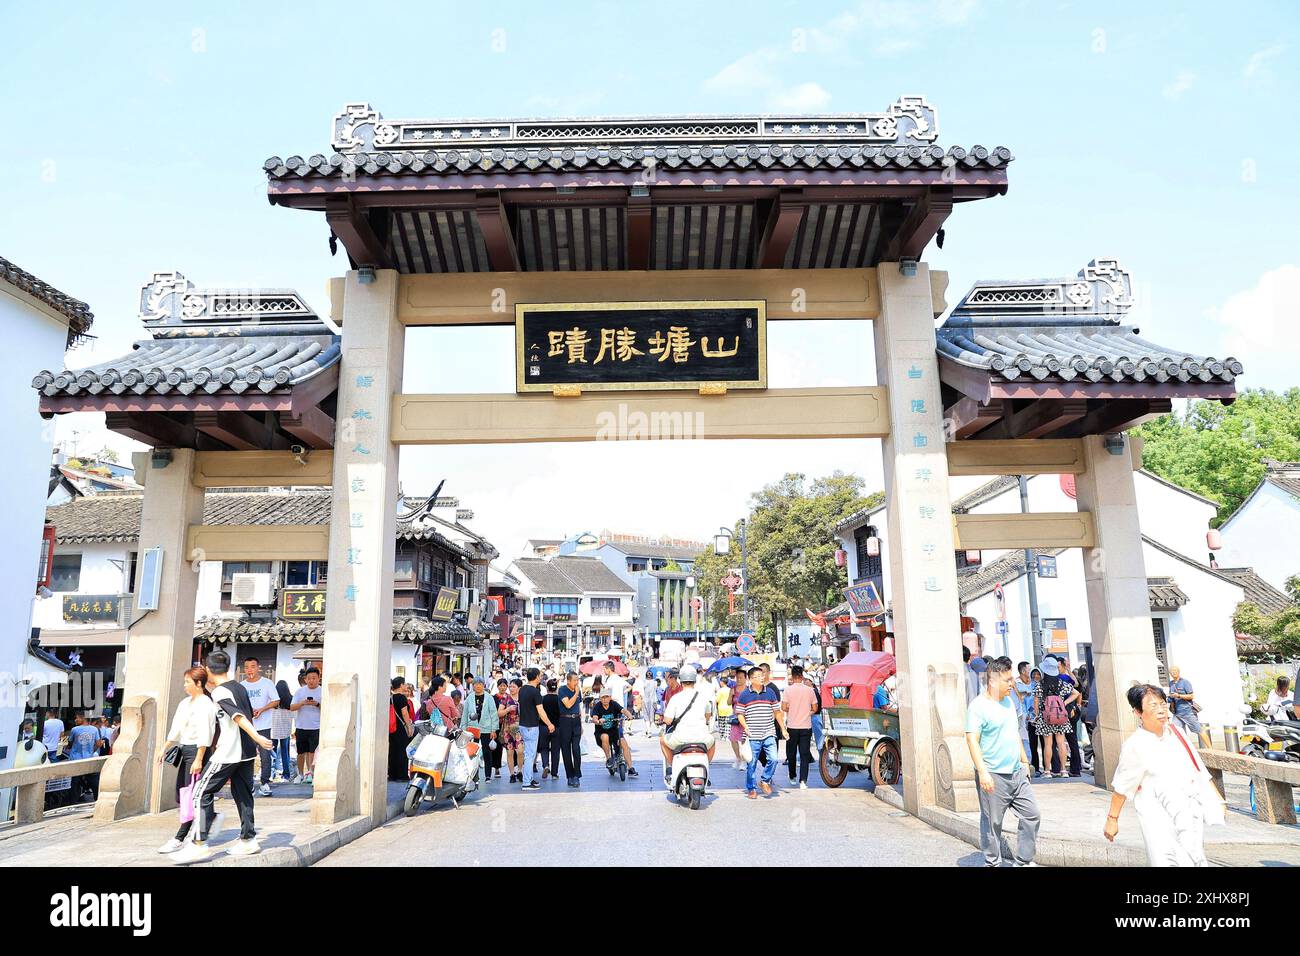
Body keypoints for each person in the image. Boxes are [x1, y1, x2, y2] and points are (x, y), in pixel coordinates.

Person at [1104, 684, 1226, 866]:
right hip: (1158, 817)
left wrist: (1218, 800)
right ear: (1138, 712)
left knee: (1194, 858)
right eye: (1153, 706)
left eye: (1162, 704)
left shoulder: (1177, 733)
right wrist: (1112, 820)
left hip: (1189, 813)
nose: (1161, 710)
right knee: (1165, 859)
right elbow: (1122, 786)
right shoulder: (1135, 745)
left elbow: (1198, 769)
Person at [172, 650, 274, 864]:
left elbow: (237, 716)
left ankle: (199, 843)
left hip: (229, 751)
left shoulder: (220, 692)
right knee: (244, 795)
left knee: (199, 793)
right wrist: (254, 740)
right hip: (245, 753)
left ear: (208, 669)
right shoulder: (240, 687)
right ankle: (248, 840)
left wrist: (257, 736)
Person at [964, 657, 1040, 867]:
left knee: (1032, 815)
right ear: (993, 681)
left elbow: (1013, 732)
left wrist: (1025, 761)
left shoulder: (1008, 702)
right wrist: (983, 772)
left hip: (1016, 773)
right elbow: (972, 739)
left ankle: (1023, 861)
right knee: (992, 824)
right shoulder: (978, 706)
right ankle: (992, 863)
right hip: (993, 775)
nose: (1012, 684)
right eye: (1007, 680)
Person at [157, 666, 218, 853]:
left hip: (197, 752)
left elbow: (205, 734)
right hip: (184, 750)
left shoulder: (206, 703)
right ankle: (209, 818)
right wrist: (164, 747)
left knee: (191, 795)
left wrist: (199, 759)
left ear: (198, 683)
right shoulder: (185, 703)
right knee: (185, 793)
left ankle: (181, 836)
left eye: (187, 682)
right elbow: (177, 726)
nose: (184, 685)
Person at [736, 666, 783, 799]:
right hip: (752, 735)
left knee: (773, 758)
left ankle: (765, 780)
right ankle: (751, 788)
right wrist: (745, 726)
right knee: (752, 763)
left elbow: (777, 712)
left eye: (762, 675)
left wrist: (783, 729)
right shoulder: (745, 694)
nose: (761, 678)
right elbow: (740, 713)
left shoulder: (770, 692)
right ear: (750, 679)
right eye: (757, 676)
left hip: (769, 732)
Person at [659, 665, 715, 772]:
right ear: (694, 681)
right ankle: (705, 768)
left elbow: (668, 720)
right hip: (702, 738)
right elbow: (708, 716)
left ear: (681, 681)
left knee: (662, 740)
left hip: (680, 738)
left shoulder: (675, 698)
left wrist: (663, 720)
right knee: (713, 742)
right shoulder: (703, 697)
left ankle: (673, 767)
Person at [239, 658, 279, 796]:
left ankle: (265, 783)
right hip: (247, 726)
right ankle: (248, 784)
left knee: (265, 755)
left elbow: (276, 700)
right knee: (247, 756)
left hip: (263, 726)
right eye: (247, 667)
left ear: (258, 668)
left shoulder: (267, 683)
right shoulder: (241, 685)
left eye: (253, 666)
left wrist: (261, 709)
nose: (250, 670)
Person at [1033, 657, 1078, 778]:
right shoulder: (1061, 683)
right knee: (1061, 743)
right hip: (1060, 715)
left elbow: (1036, 700)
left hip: (1045, 716)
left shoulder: (1040, 684)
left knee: (1048, 744)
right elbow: (1076, 693)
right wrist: (1064, 703)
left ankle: (1047, 771)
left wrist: (1037, 715)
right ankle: (1063, 770)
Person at [781, 666, 818, 788]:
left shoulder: (787, 690)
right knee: (804, 754)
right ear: (802, 676)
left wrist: (791, 710)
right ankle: (803, 781)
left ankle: (792, 776)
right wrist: (807, 712)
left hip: (792, 726)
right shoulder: (809, 690)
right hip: (806, 726)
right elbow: (815, 708)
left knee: (791, 753)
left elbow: (783, 707)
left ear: (792, 676)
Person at [590, 686, 638, 776]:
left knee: (624, 743)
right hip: (601, 732)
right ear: (600, 698)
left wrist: (629, 715)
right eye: (603, 697)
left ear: (610, 697)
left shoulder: (614, 704)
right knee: (605, 737)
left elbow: (623, 710)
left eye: (607, 697)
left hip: (614, 731)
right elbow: (594, 717)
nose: (605, 699)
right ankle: (609, 760)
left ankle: (631, 768)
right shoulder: (597, 706)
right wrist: (598, 721)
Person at [517, 668, 552, 791]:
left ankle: (529, 778)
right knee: (530, 755)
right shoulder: (535, 692)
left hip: (523, 725)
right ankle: (526, 782)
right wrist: (549, 724)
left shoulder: (522, 690)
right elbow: (541, 711)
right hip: (531, 726)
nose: (541, 678)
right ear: (537, 677)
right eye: (540, 676)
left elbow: (520, 708)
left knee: (529, 753)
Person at [461, 677, 500, 781]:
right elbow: (465, 714)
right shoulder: (469, 698)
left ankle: (487, 775)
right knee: (472, 752)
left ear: (484, 685)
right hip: (472, 729)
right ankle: (474, 775)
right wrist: (463, 729)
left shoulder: (489, 698)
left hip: (486, 728)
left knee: (487, 752)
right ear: (472, 685)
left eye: (480, 684)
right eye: (475, 684)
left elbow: (494, 714)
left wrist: (494, 729)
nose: (478, 686)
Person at [289, 668, 323, 782]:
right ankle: (300, 774)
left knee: (313, 752)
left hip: (316, 727)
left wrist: (317, 704)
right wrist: (302, 703)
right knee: (300, 752)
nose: (311, 681)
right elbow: (291, 707)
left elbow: (327, 709)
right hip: (301, 726)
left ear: (319, 678)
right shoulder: (300, 692)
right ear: (305, 679)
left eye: (314, 678)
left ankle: (311, 773)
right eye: (309, 678)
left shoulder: (322, 691)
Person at [1167, 665, 1211, 748]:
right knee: (1177, 732)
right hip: (1177, 713)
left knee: (1199, 729)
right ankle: (1186, 749)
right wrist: (1170, 700)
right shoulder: (1171, 683)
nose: (1173, 672)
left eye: (1175, 671)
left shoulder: (1185, 682)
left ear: (1179, 672)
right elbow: (1171, 696)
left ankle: (1211, 749)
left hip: (1187, 711)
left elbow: (1191, 696)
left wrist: (1179, 695)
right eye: (1172, 671)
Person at [66, 714, 102, 801]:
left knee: (74, 782)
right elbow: (98, 744)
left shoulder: (75, 729)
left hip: (75, 760)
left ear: (82, 718)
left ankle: (73, 802)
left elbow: (70, 744)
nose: (75, 720)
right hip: (88, 760)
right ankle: (97, 800)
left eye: (77, 718)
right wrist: (91, 751)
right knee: (93, 781)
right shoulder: (94, 729)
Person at [557, 672, 583, 787]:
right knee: (566, 749)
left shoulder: (578, 691)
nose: (576, 683)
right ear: (568, 681)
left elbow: (578, 707)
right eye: (574, 680)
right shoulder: (562, 690)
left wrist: (581, 724)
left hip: (576, 721)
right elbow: (568, 704)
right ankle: (570, 776)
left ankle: (577, 775)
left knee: (576, 749)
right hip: (565, 721)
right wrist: (576, 693)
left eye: (577, 680)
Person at [388, 677, 415, 782]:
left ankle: (392, 774)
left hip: (392, 726)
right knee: (402, 751)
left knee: (393, 750)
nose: (406, 686)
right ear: (400, 685)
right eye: (404, 684)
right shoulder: (402, 698)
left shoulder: (390, 698)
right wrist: (409, 726)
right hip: (401, 727)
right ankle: (401, 775)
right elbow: (405, 713)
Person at [498, 679, 522, 781]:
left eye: (514, 687)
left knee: (520, 751)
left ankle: (520, 771)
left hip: (520, 729)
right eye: (510, 686)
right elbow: (499, 713)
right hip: (507, 729)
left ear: (519, 688)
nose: (511, 689)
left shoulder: (523, 698)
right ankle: (512, 774)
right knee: (510, 752)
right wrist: (508, 709)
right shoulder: (506, 698)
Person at [539, 678, 562, 780]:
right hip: (557, 727)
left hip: (543, 727)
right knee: (555, 750)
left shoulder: (542, 699)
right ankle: (554, 773)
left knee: (544, 748)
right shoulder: (560, 699)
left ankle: (545, 765)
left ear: (547, 688)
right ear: (556, 688)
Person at [639, 670, 659, 735]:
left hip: (645, 700)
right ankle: (649, 730)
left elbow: (641, 692)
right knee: (651, 716)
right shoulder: (655, 682)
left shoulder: (643, 682)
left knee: (646, 716)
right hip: (653, 700)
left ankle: (649, 731)